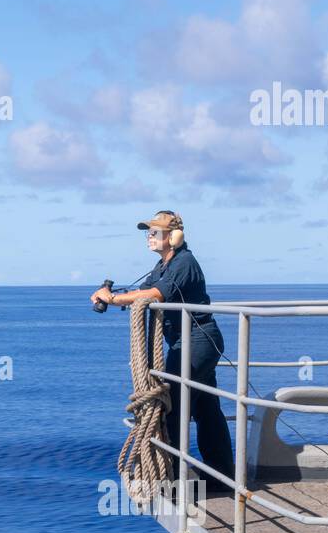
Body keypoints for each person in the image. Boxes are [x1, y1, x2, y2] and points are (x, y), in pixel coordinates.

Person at [89, 210, 235, 493]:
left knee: (173, 406)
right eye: (148, 233)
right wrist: (110, 295)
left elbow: (155, 295)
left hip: (198, 340)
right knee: (207, 410)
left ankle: (173, 480)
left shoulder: (184, 262)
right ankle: (222, 476)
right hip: (188, 341)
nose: (149, 237)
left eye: (154, 233)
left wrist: (114, 298)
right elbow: (143, 290)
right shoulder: (162, 266)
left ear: (174, 237)